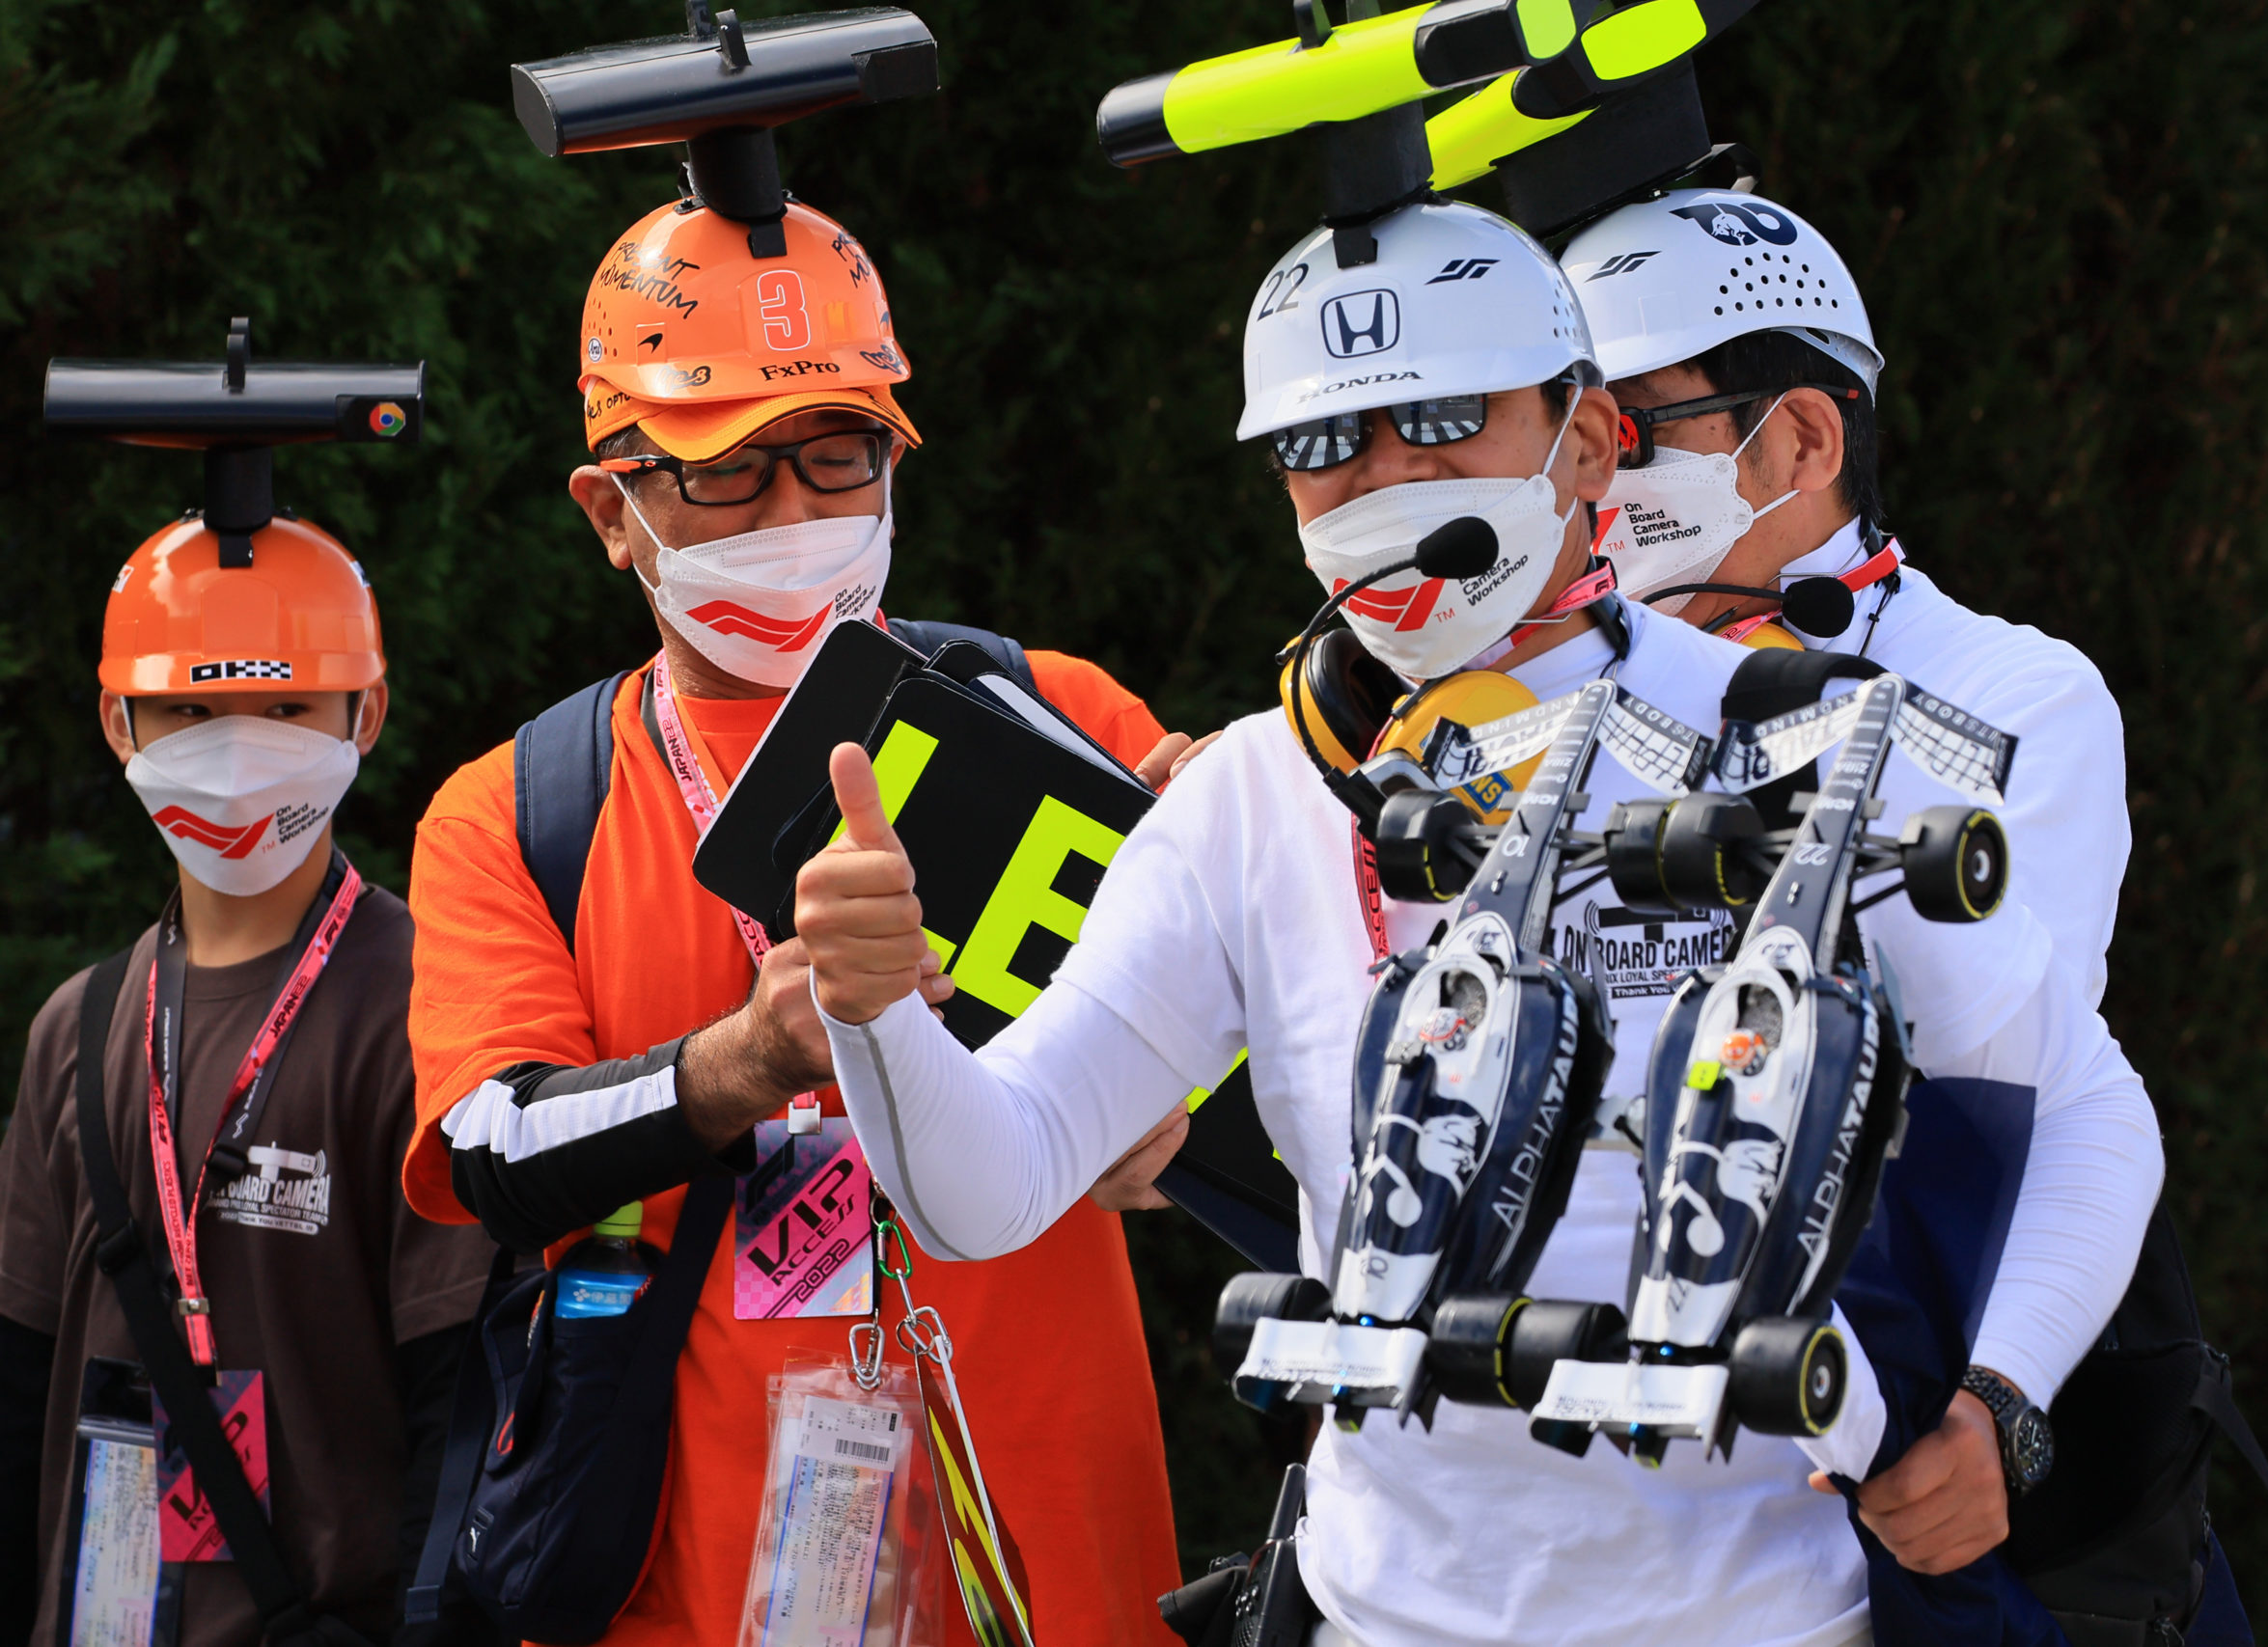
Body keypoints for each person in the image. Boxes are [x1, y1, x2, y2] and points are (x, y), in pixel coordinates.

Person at [798, 196, 2167, 1645]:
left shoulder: (1817, 740)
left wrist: (2000, 1399)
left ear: (1585, 443)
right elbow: (987, 1184)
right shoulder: (1250, 798)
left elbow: (2078, 1092)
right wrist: (873, 1005)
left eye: (1443, 418)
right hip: (1381, 1612)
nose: (1386, 480)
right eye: (1326, 445)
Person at [396, 189, 1188, 1647]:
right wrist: (746, 1060)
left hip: (1059, 1555)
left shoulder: (1059, 715)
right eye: (724, 473)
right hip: (694, 1579)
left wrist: (1175, 1089)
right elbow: (486, 1147)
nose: (797, 515)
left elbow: (1286, 1071)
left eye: (839, 456)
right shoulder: (515, 810)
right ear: (611, 512)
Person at [0, 510, 496, 1645]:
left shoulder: (432, 1011)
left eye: (285, 710)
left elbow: (454, 1404)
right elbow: (20, 1381)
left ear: (366, 713)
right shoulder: (76, 1030)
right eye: (188, 711)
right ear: (117, 723)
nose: (236, 750)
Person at [1562, 187, 2129, 1009]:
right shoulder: (1554, 686)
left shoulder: (2018, 701)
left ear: (1805, 438)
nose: (1590, 480)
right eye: (1573, 439)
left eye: (1629, 435)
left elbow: (1992, 1053)